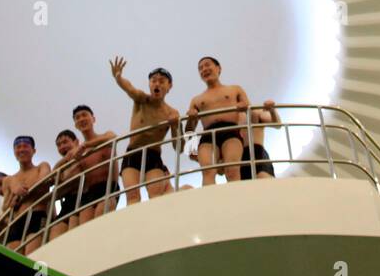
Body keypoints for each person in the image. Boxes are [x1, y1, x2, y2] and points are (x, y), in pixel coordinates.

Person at [110, 56, 181, 205]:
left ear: (169, 86)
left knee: (155, 195)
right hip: (133, 153)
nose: (157, 83)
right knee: (133, 196)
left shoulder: (171, 113)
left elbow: (178, 147)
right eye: (153, 80)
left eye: (161, 81)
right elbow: (130, 88)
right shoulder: (141, 100)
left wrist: (176, 126)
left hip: (153, 156)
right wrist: (118, 78)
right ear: (149, 84)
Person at [185, 56, 250, 186]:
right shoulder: (196, 99)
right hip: (207, 135)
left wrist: (243, 106)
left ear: (218, 68)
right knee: (208, 172)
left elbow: (247, 106)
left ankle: (238, 202)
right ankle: (209, 204)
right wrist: (191, 150)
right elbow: (189, 129)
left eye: (207, 65)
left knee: (232, 170)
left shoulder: (235, 89)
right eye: (200, 68)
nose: (204, 69)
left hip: (230, 130)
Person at [1, 136, 52, 253]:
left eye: (26, 146)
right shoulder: (8, 180)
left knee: (32, 254)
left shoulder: (42, 166)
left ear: (34, 150)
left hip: (36, 215)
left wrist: (20, 194)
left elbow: (43, 182)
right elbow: (4, 208)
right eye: (18, 147)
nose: (22, 149)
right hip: (17, 221)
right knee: (13, 257)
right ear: (14, 152)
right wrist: (11, 202)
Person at [71, 105, 118, 224]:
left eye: (84, 115)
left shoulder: (105, 136)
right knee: (85, 228)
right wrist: (75, 160)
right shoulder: (77, 152)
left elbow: (113, 137)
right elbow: (67, 175)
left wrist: (87, 145)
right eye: (77, 118)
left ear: (93, 119)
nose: (81, 119)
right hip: (89, 192)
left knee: (99, 221)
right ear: (75, 125)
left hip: (108, 187)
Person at [48, 129, 84, 240]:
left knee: (72, 234)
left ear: (76, 142)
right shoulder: (63, 166)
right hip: (68, 202)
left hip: (83, 199)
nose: (62, 146)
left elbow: (73, 179)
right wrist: (63, 161)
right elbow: (52, 180)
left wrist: (61, 183)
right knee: (54, 234)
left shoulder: (83, 153)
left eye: (65, 142)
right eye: (59, 145)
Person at [239, 99, 280, 180]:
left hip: (257, 151)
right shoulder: (232, 119)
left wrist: (272, 110)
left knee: (263, 178)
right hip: (240, 156)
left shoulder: (255, 112)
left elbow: (277, 124)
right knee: (244, 187)